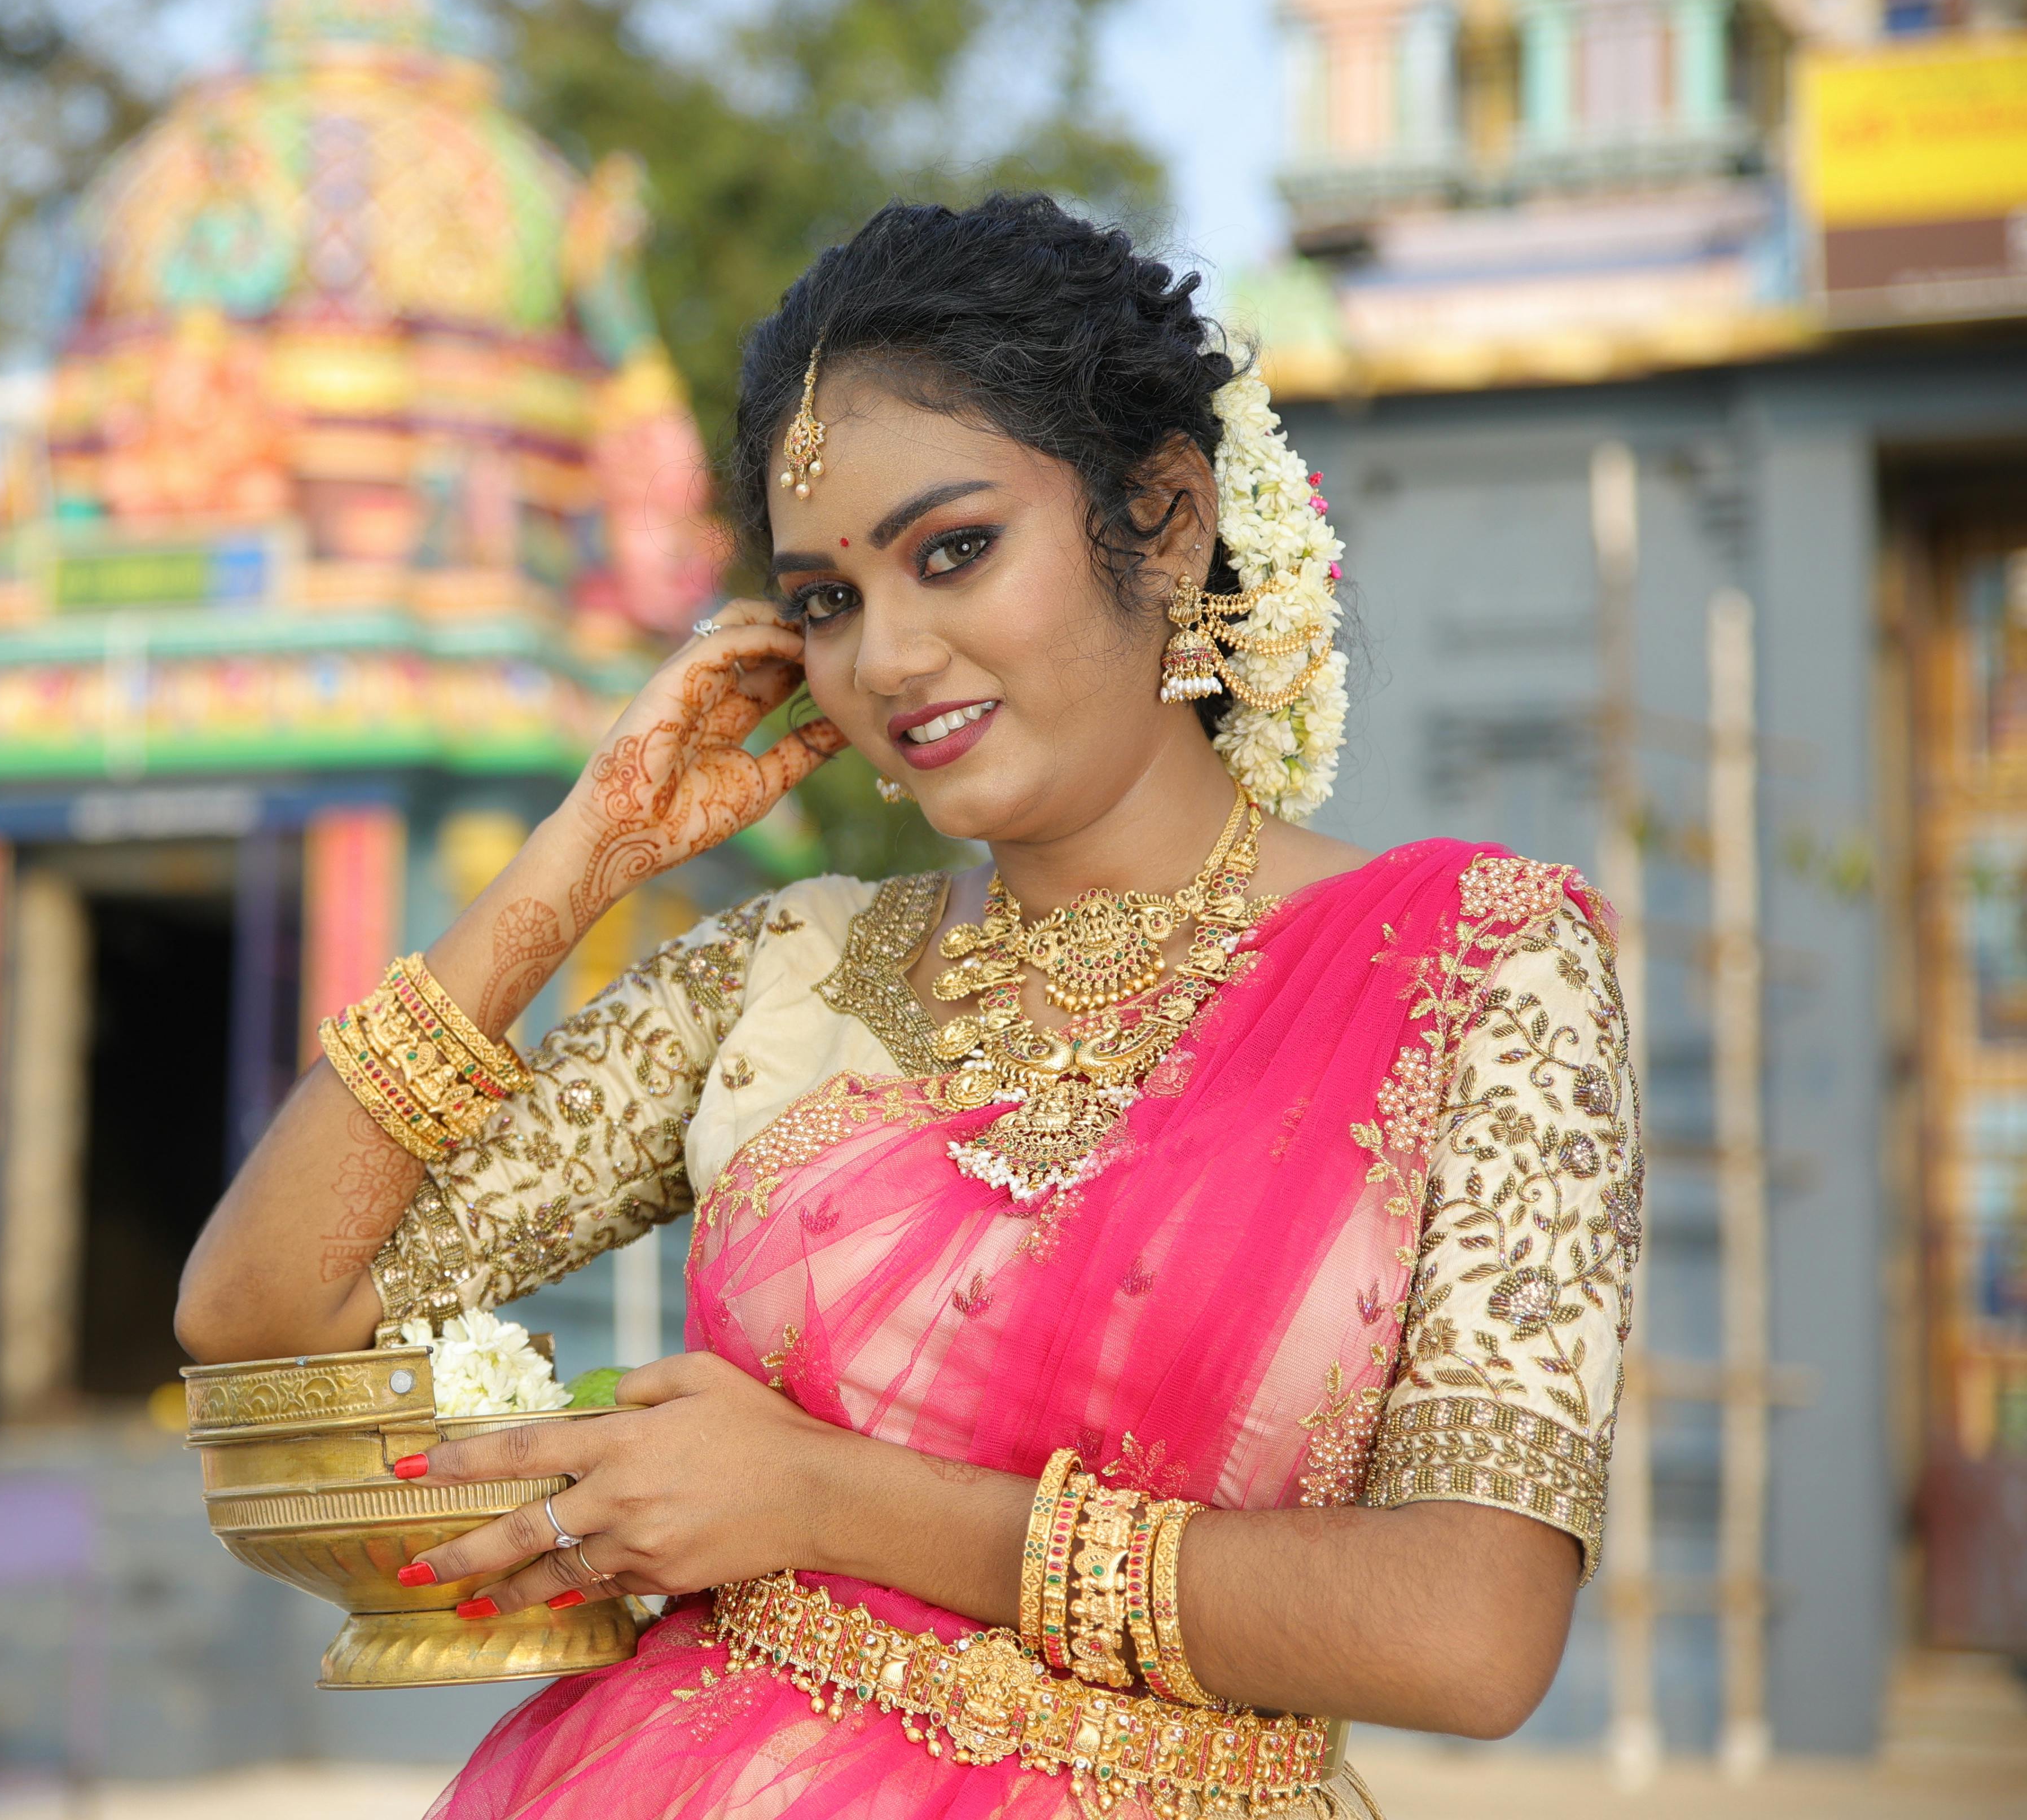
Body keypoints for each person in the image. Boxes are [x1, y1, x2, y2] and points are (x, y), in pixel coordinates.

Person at [177, 194, 1639, 1818]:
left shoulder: (1478, 967)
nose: (889, 655)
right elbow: (263, 1310)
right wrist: (578, 858)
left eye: (955, 552)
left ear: (1160, 519)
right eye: (825, 600)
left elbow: (1467, 1630)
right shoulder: (778, 975)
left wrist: (819, 1501)